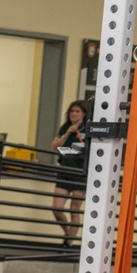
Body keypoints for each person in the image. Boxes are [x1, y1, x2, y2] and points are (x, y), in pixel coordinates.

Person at [50, 100, 88, 247]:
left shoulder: (87, 128)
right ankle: (67, 233)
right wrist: (67, 134)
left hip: (79, 175)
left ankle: (70, 243)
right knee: (57, 209)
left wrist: (78, 141)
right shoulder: (65, 126)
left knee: (74, 210)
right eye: (72, 111)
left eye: (77, 111)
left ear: (84, 114)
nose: (74, 114)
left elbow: (85, 150)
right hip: (64, 172)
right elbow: (54, 146)